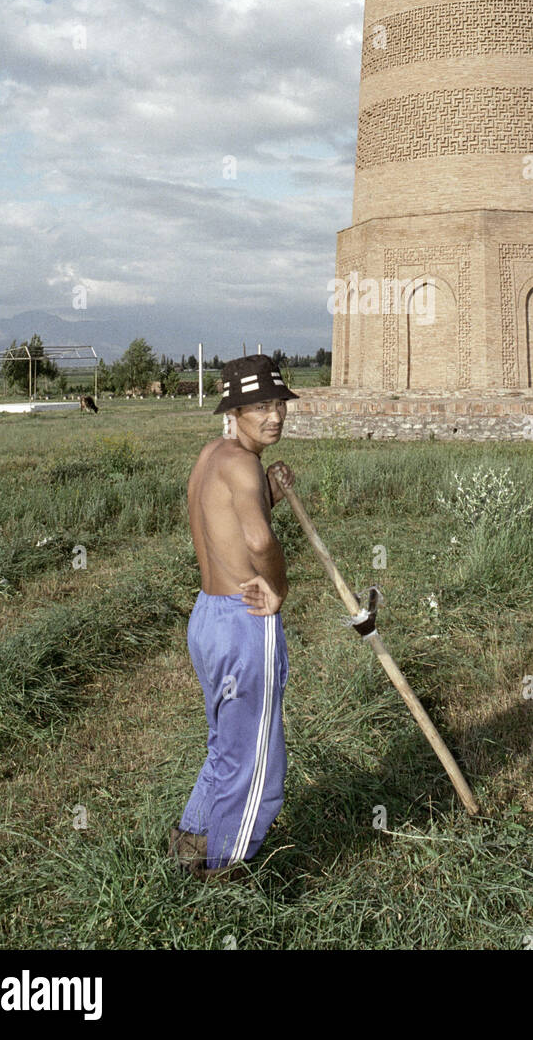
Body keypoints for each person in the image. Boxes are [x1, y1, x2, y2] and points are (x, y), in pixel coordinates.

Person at [169, 354, 298, 882]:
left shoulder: (213, 457)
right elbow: (257, 540)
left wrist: (267, 492)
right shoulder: (243, 464)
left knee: (227, 742)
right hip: (244, 621)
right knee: (260, 763)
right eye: (260, 406)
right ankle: (223, 874)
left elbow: (220, 521)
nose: (274, 417)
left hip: (208, 616)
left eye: (279, 404)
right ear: (236, 410)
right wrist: (279, 589)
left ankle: (192, 840)